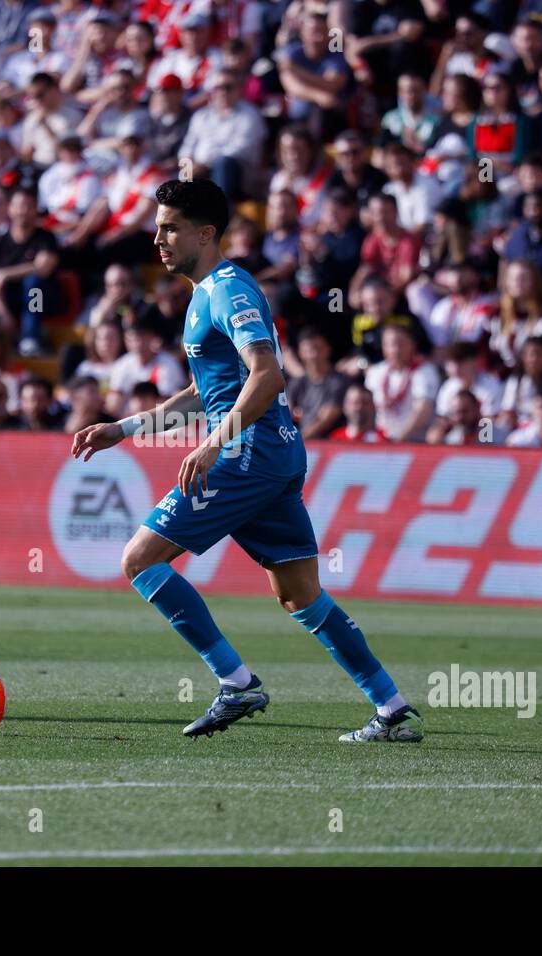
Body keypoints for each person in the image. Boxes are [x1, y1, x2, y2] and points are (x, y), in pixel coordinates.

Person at [71, 178, 422, 744]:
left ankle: (236, 683)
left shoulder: (228, 290)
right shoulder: (202, 293)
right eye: (158, 226)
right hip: (273, 454)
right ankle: (392, 708)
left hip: (247, 453)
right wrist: (126, 428)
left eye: (170, 228)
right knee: (298, 593)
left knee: (140, 559)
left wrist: (215, 443)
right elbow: (200, 393)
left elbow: (267, 375)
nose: (157, 238)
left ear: (206, 233)